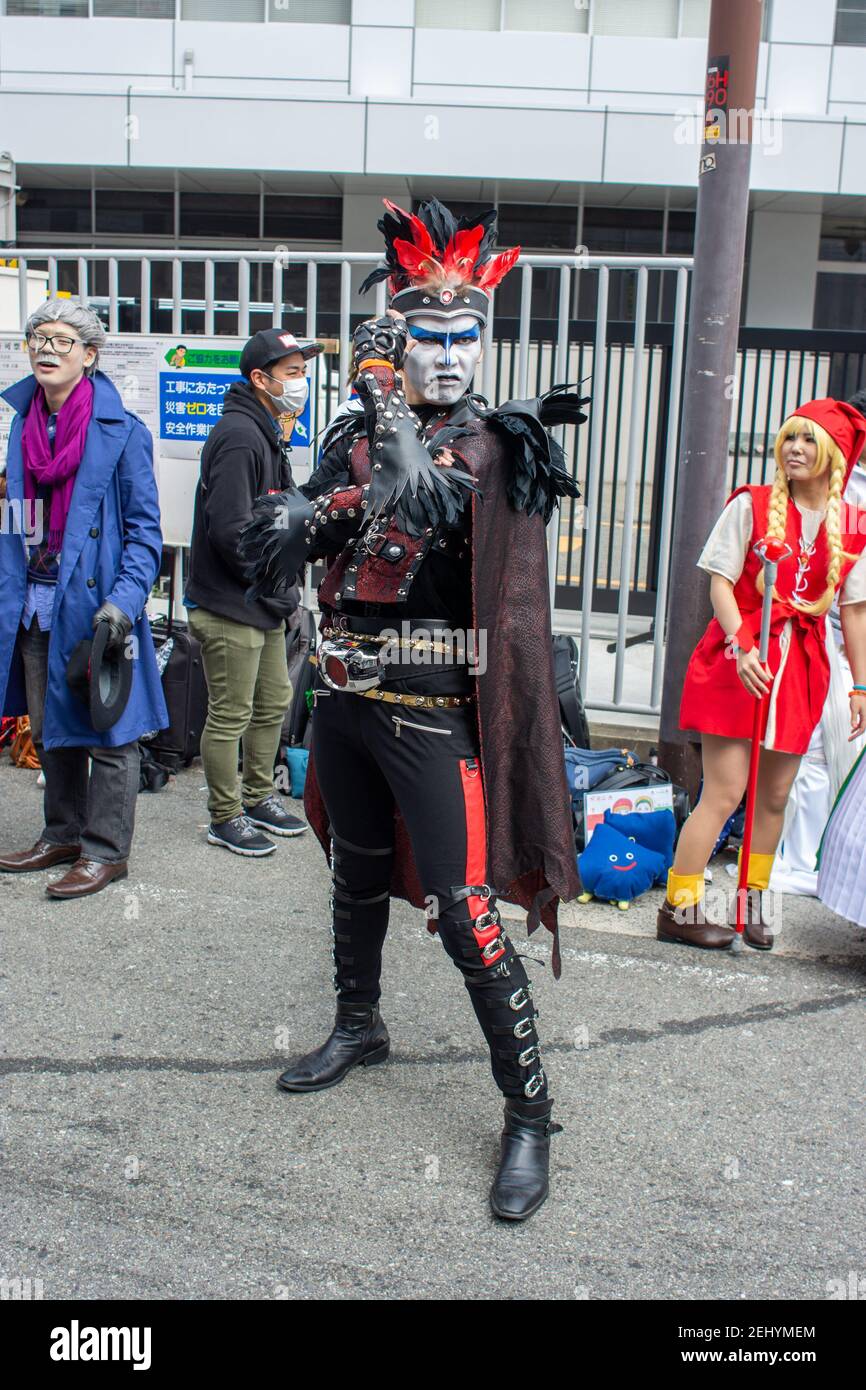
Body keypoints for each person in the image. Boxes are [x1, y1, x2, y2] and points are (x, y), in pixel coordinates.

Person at [241, 198, 585, 1221]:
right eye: (423, 337)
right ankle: (359, 1021)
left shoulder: (500, 442)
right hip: (342, 699)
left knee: (464, 910)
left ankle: (528, 1114)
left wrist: (347, 479)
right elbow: (285, 538)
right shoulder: (350, 430)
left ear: (484, 341)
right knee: (352, 872)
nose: (445, 357)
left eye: (462, 336)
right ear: (394, 337)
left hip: (434, 708)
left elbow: (428, 499)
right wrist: (317, 504)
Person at [658, 398, 866, 950]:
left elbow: (854, 610)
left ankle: (756, 904)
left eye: (808, 440)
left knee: (775, 796)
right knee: (724, 794)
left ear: (835, 456)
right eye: (789, 438)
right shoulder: (751, 504)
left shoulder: (854, 524)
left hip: (802, 665)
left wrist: (862, 685)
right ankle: (679, 908)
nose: (794, 449)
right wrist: (743, 646)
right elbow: (720, 582)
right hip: (737, 662)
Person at [0, 298, 168, 898]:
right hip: (33, 601)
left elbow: (147, 533)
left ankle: (105, 850)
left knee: (110, 733)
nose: (46, 348)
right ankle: (63, 833)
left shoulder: (122, 431)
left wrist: (122, 605)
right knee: (49, 729)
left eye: (62, 340)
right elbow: (14, 516)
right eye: (38, 337)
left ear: (90, 356)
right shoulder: (22, 424)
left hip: (99, 606)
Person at [185, 329, 323, 856]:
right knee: (232, 713)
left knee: (272, 704)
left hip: (261, 602)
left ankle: (260, 796)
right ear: (260, 379)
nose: (301, 382)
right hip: (230, 605)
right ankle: (225, 815)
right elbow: (229, 528)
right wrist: (273, 584)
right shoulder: (241, 435)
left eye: (303, 372)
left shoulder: (266, 431)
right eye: (291, 373)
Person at [769, 389, 866, 897]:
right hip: (814, 639)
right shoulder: (844, 494)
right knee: (811, 753)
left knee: (828, 756)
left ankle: (806, 857)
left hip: (836, 641)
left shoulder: (851, 495)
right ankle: (794, 859)